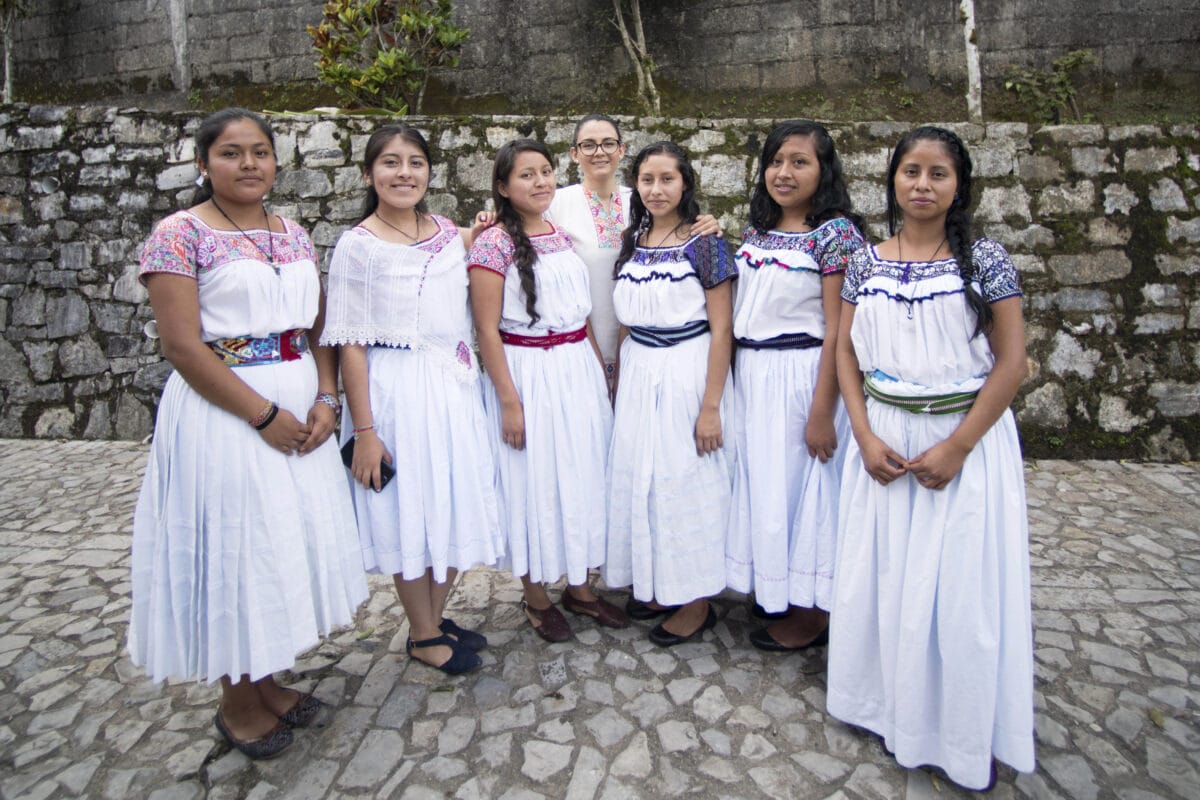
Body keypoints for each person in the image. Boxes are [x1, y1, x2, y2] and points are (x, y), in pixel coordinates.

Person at [128, 108, 368, 759]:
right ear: (203, 163)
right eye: (231, 153)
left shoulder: (292, 233)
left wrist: (327, 397)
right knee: (235, 547)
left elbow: (316, 326)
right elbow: (182, 345)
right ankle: (236, 705)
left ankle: (265, 680)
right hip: (227, 413)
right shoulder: (180, 234)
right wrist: (261, 415)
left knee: (276, 544)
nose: (249, 164)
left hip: (301, 404)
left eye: (260, 151)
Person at [826, 126, 1034, 791]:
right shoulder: (866, 261)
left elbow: (1012, 362)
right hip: (885, 439)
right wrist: (863, 436)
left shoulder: (985, 260)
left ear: (959, 185)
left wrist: (958, 445)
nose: (922, 184)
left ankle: (963, 733)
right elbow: (846, 352)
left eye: (937, 173)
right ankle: (885, 707)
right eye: (910, 171)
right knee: (887, 578)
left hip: (963, 441)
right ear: (892, 180)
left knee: (960, 592)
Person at [321, 124, 501, 675]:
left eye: (416, 162)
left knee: (452, 500)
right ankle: (423, 635)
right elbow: (349, 345)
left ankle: (435, 618)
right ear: (368, 174)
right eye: (391, 163)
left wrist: (482, 226)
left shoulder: (445, 231)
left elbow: (473, 243)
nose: (405, 173)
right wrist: (365, 432)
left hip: (455, 386)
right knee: (409, 510)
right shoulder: (358, 246)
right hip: (396, 393)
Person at [467, 139, 628, 642]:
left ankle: (580, 587)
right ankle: (535, 595)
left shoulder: (558, 234)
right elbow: (486, 328)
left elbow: (581, 311)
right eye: (526, 175)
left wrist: (598, 372)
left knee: (580, 476)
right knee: (532, 481)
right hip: (527, 371)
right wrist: (509, 401)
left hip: (575, 366)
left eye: (545, 171)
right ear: (502, 187)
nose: (540, 182)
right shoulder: (492, 244)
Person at [725, 121, 865, 651]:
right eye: (776, 161)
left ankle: (814, 611)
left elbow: (839, 331)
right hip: (755, 375)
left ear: (823, 170)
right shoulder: (758, 230)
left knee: (810, 492)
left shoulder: (835, 235)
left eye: (800, 162)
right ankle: (777, 588)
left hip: (803, 378)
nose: (784, 173)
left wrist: (822, 411)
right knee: (768, 487)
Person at [604, 141, 737, 647]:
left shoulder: (705, 242)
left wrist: (710, 406)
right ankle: (661, 581)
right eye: (647, 179)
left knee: (687, 482)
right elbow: (625, 320)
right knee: (645, 481)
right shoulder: (633, 239)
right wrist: (619, 382)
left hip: (687, 370)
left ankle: (697, 601)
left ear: (685, 184)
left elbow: (722, 330)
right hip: (640, 372)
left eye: (667, 179)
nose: (656, 189)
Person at [545, 113, 723, 399]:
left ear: (622, 150)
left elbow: (679, 233)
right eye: (588, 145)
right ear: (574, 154)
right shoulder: (554, 205)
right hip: (579, 342)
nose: (599, 152)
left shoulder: (645, 201)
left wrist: (708, 223)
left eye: (608, 143)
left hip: (637, 343)